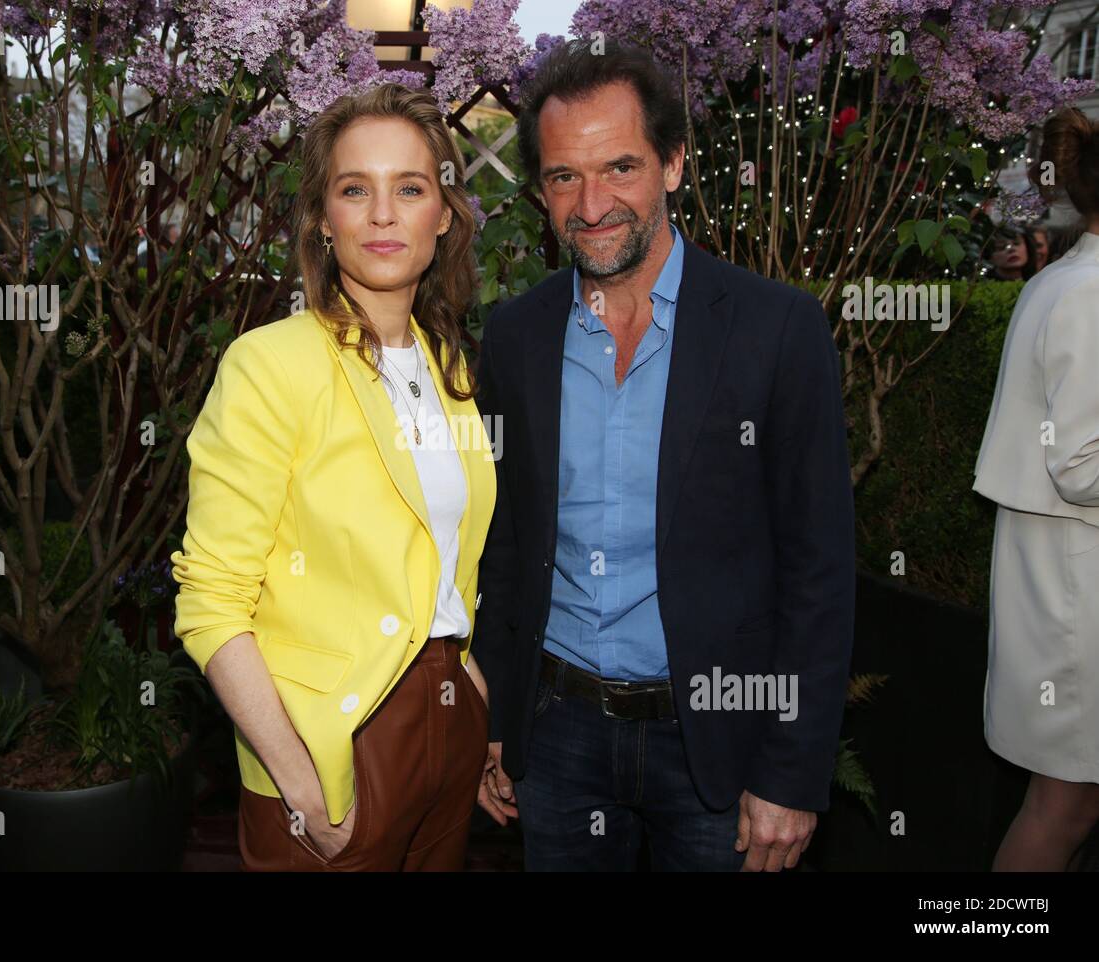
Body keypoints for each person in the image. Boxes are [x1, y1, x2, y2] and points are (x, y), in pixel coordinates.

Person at [470, 39, 856, 872]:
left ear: (674, 164)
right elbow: (503, 547)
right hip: (558, 736)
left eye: (620, 167)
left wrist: (794, 770)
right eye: (564, 177)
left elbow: (820, 570)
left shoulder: (776, 330)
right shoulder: (515, 336)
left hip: (718, 739)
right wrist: (499, 719)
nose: (592, 202)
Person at [169, 83, 497, 871]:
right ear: (322, 216)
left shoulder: (448, 366)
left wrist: (478, 704)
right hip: (329, 746)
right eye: (356, 189)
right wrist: (302, 786)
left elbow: (442, 567)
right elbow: (212, 604)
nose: (384, 214)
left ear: (445, 214)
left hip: (450, 726)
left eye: (410, 188)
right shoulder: (269, 365)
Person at [973, 105, 1099, 871]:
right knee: (1066, 802)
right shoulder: (1086, 296)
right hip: (1071, 593)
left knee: (1071, 799)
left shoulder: (1070, 281)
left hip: (1065, 577)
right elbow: (1080, 464)